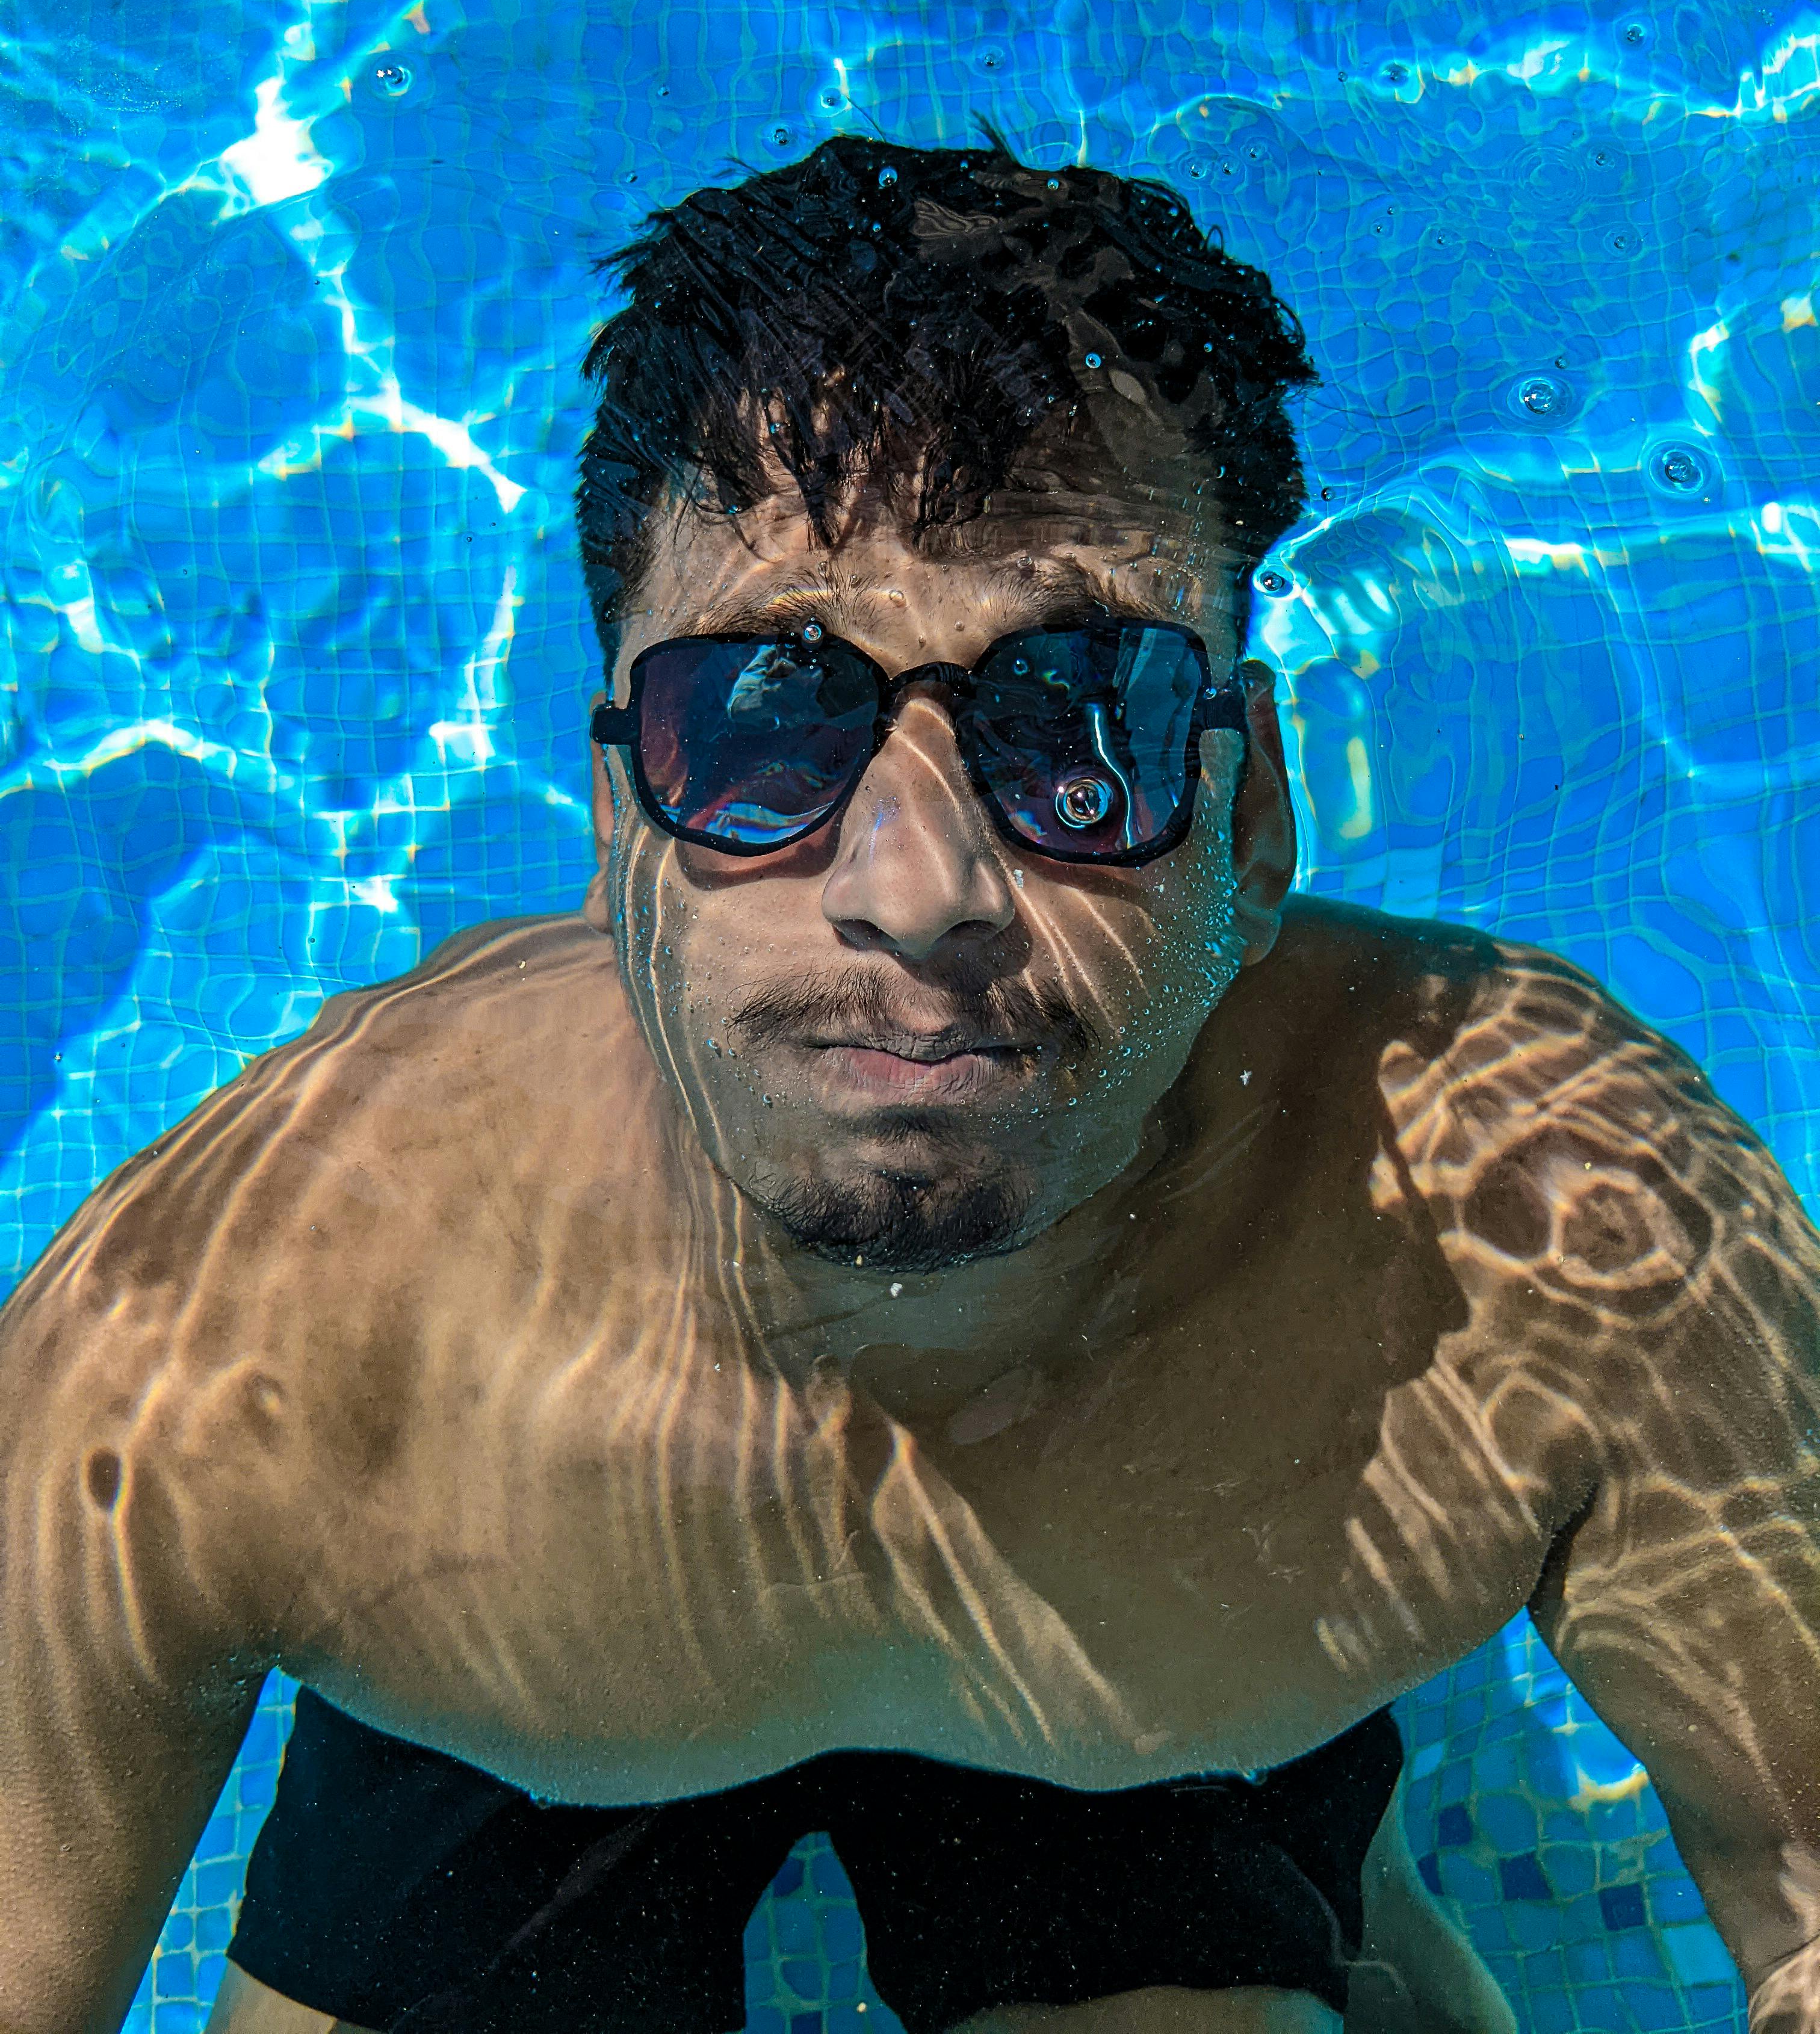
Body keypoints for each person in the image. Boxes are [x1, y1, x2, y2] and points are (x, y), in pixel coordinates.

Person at [1, 137, 1815, 2034]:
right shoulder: (238, 1348)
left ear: (1252, 812)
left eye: (1079, 721)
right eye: (769, 723)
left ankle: (1315, 1861)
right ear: (621, 810)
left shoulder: (1557, 1232)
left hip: (1172, 1670)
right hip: (538, 1668)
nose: (918, 889)